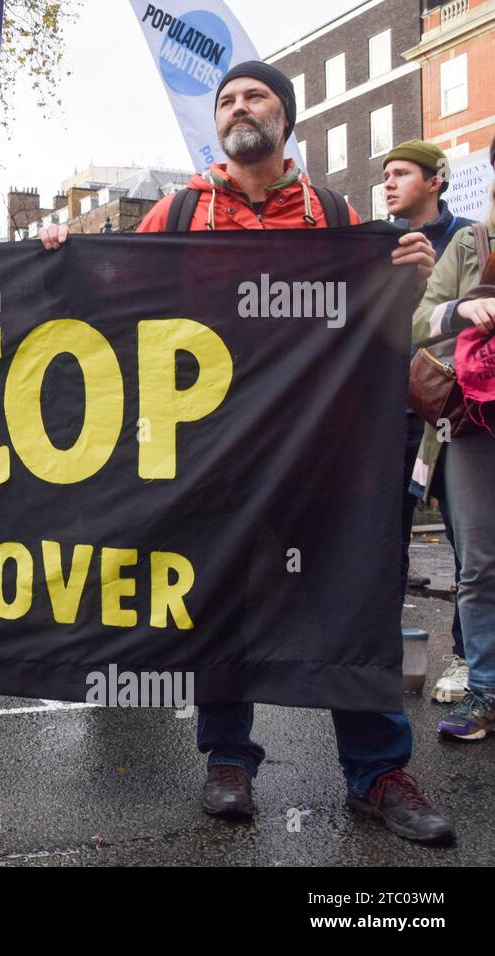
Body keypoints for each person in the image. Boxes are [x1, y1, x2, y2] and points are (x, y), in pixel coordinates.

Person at [40, 61, 454, 845]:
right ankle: (228, 758)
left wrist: (408, 279)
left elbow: (368, 332)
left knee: (353, 599)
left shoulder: (335, 212)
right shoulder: (181, 209)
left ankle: (377, 772)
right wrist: (65, 252)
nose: (239, 106)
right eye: (227, 99)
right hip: (216, 453)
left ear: (285, 118)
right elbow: (112, 291)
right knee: (222, 599)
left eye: (255, 95)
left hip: (322, 456)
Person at [384, 139, 474, 704]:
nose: (388, 183)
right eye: (385, 174)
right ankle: (379, 651)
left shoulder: (469, 240)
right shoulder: (377, 243)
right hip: (392, 413)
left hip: (457, 414)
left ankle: (467, 660)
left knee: (469, 539)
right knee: (385, 534)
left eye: (401, 174)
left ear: (435, 180)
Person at [414, 144, 495, 744]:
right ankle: (485, 692)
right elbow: (415, 323)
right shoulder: (471, 246)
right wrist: (463, 308)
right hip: (471, 427)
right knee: (479, 564)